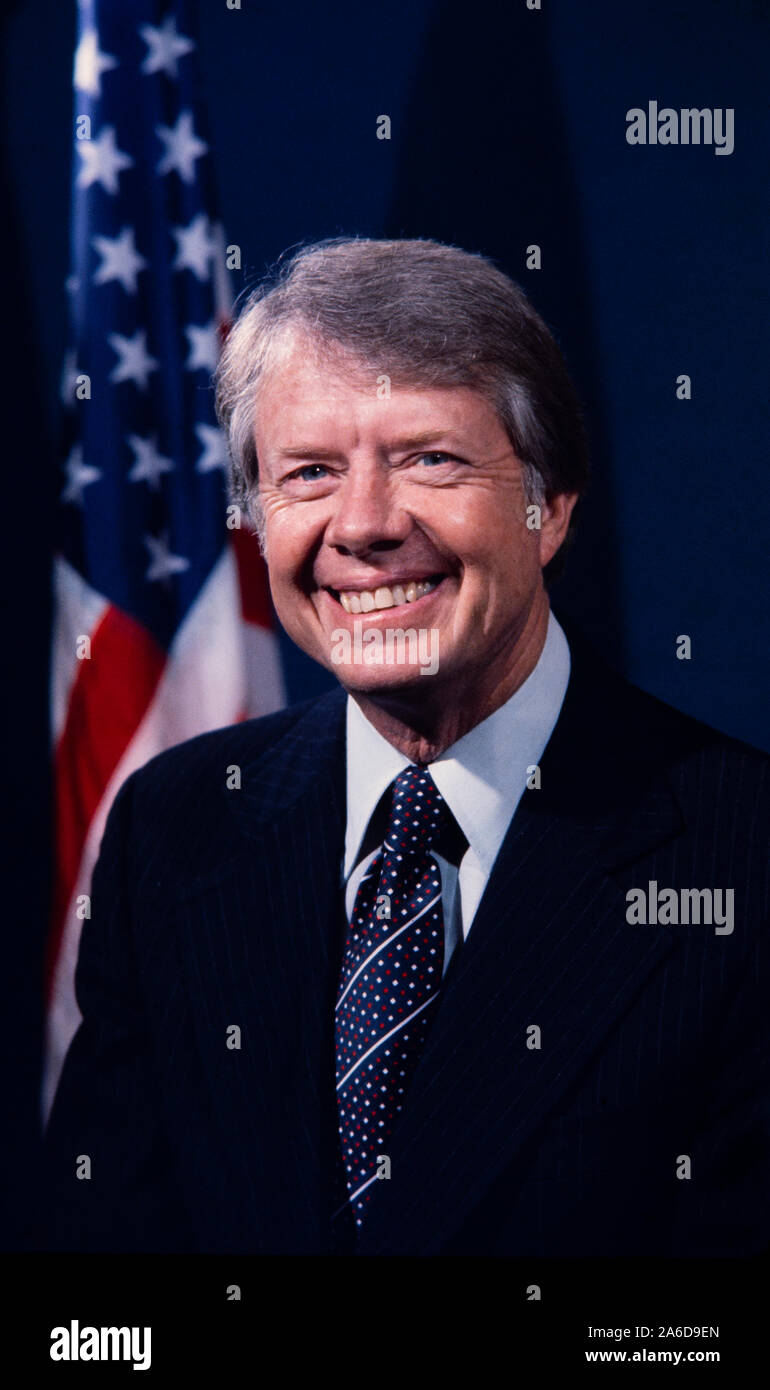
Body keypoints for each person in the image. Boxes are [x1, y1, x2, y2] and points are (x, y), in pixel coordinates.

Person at [43, 238, 770, 1256]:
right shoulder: (177, 826)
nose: (364, 525)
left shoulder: (740, 851)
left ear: (548, 505)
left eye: (427, 457)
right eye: (307, 473)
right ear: (253, 519)